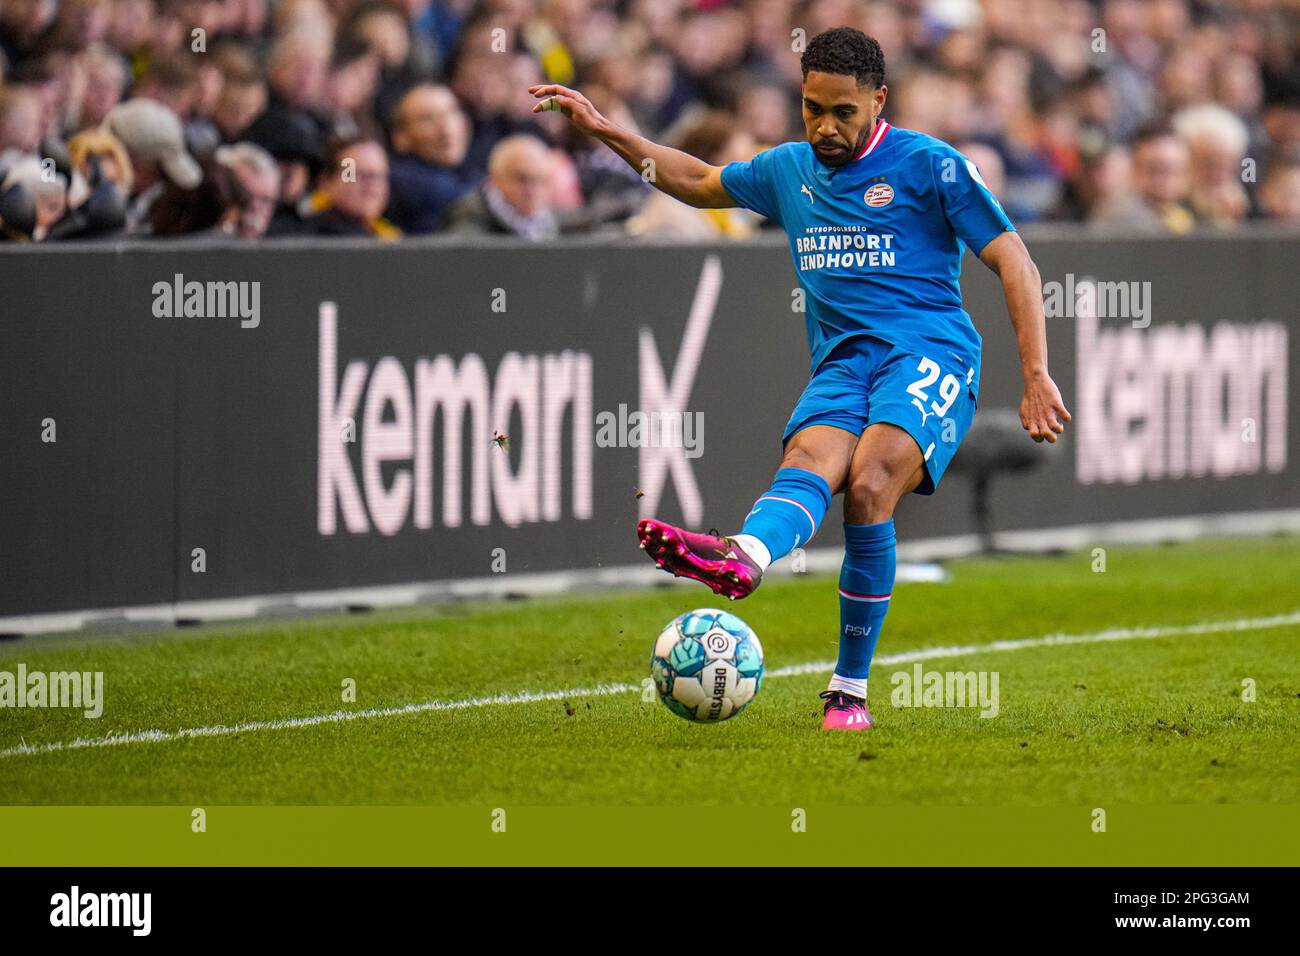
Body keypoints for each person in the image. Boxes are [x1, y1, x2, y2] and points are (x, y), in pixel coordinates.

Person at [529, 26, 1070, 731]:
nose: (825, 126)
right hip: (844, 361)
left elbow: (1015, 260)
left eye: (843, 111)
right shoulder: (789, 169)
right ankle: (744, 557)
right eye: (813, 108)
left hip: (930, 352)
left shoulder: (931, 166)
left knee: (872, 483)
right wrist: (606, 130)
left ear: (878, 100)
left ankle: (848, 689)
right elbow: (694, 181)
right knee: (808, 462)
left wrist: (1035, 372)